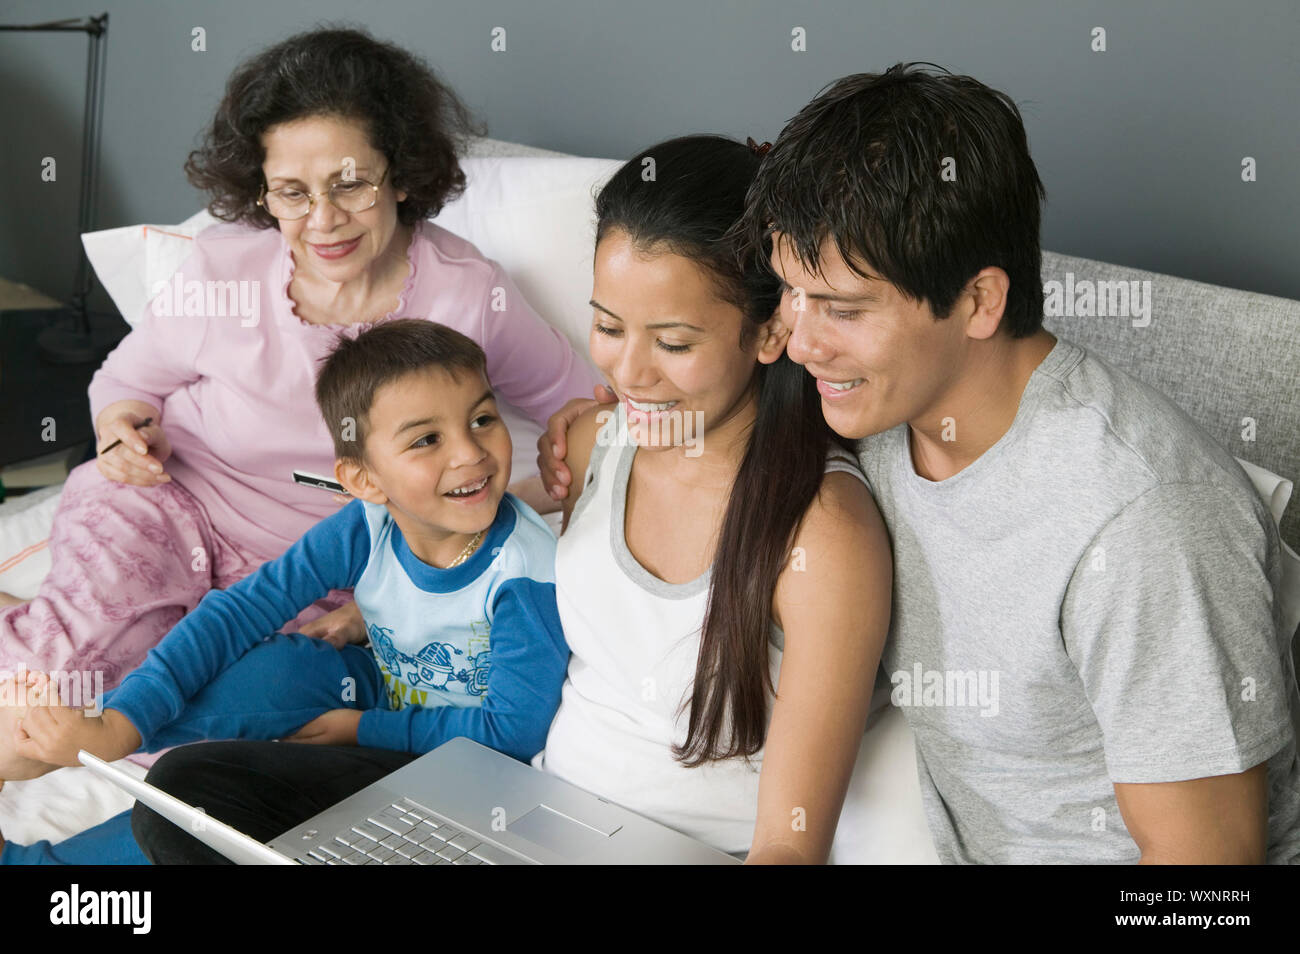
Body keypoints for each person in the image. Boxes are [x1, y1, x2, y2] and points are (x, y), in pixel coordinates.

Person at [540, 64, 1300, 864]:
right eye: (794, 296)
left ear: (979, 302)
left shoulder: (1143, 525)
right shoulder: (874, 415)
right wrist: (594, 422)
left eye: (842, 309)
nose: (798, 345)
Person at [129, 134, 893, 865]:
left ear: (769, 332)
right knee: (187, 793)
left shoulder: (823, 532)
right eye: (607, 326)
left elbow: (790, 847)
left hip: (672, 852)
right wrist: (384, 591)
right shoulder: (600, 439)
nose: (631, 372)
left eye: (674, 342)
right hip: (515, 808)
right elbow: (491, 533)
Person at [0, 27, 594, 712]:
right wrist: (122, 433)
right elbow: (124, 384)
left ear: (399, 173)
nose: (324, 220)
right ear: (263, 193)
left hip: (313, 570)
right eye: (292, 193)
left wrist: (450, 544)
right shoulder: (223, 268)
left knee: (208, 707)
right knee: (48, 686)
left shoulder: (467, 293)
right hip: (167, 505)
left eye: (351, 185)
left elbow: (581, 416)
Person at [0, 320, 568, 864]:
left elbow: (511, 733)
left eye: (483, 419)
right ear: (365, 482)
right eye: (427, 439)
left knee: (209, 805)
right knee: (274, 666)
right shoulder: (368, 523)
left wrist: (360, 729)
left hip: (451, 760)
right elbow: (242, 610)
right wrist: (124, 720)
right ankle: (109, 730)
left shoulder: (522, 573)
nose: (470, 453)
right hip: (381, 690)